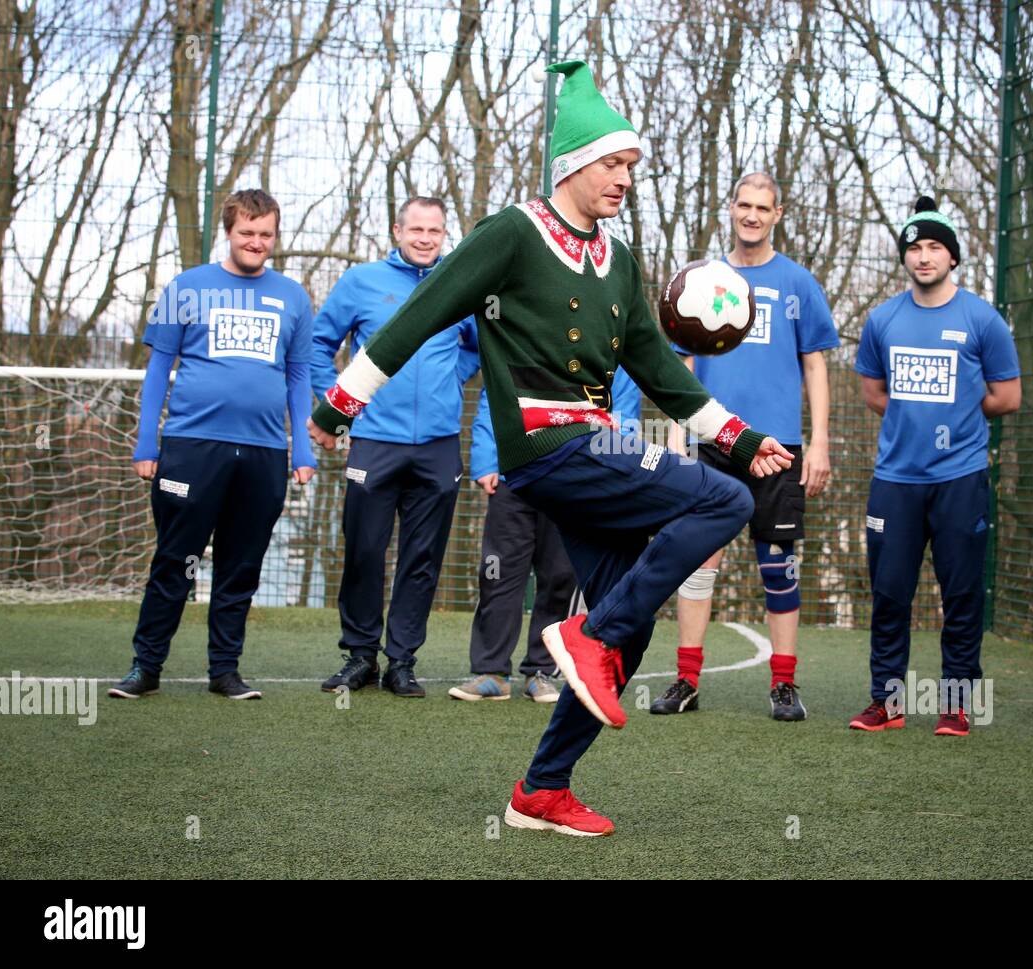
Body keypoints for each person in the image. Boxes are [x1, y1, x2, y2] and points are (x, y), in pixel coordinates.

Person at [308, 61, 792, 836]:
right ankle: (587, 634)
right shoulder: (511, 233)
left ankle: (541, 787)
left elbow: (660, 370)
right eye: (611, 163)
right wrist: (342, 398)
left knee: (629, 632)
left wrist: (741, 436)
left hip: (589, 454)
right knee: (724, 499)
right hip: (547, 448)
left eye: (631, 166)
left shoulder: (621, 260)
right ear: (570, 164)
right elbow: (423, 312)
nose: (624, 178)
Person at [109, 189, 315, 701]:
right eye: (247, 232)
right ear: (229, 231)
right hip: (191, 447)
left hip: (265, 452)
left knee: (241, 565)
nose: (257, 242)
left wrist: (304, 450)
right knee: (176, 560)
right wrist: (145, 443)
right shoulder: (187, 286)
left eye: (266, 234)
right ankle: (146, 667)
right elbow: (158, 368)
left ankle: (225, 671)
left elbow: (298, 375)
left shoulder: (293, 296)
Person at [654, 171, 837, 721]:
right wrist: (675, 434)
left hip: (778, 447)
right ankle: (686, 681)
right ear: (730, 209)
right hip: (713, 440)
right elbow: (679, 363)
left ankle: (783, 685)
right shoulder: (704, 277)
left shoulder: (798, 283)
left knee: (778, 565)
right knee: (696, 562)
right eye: (743, 205)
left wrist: (820, 441)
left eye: (763, 207)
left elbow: (815, 363)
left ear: (777, 214)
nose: (751, 215)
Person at [850, 196, 1021, 736]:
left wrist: (962, 416)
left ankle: (956, 703)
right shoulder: (883, 320)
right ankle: (887, 701)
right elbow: (875, 392)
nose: (923, 257)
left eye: (934, 247)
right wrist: (914, 416)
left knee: (962, 595)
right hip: (895, 481)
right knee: (890, 595)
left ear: (952, 257)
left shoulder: (981, 319)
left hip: (961, 480)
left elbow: (1007, 396)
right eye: (915, 247)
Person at [311, 197, 478, 698]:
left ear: (445, 234)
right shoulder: (361, 281)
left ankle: (401, 661)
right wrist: (339, 405)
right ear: (396, 231)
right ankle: (359, 655)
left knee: (422, 557)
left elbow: (477, 345)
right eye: (416, 229)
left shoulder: (461, 284)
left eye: (435, 230)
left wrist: (454, 375)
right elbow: (320, 344)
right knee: (364, 550)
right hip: (373, 444)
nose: (426, 238)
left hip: (439, 446)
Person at [451, 368, 641, 703]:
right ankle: (491, 672)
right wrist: (485, 460)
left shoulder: (614, 357)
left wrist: (606, 472)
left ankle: (541, 672)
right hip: (514, 478)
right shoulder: (523, 341)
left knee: (561, 576)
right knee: (498, 573)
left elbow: (625, 417)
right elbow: (493, 401)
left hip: (575, 483)